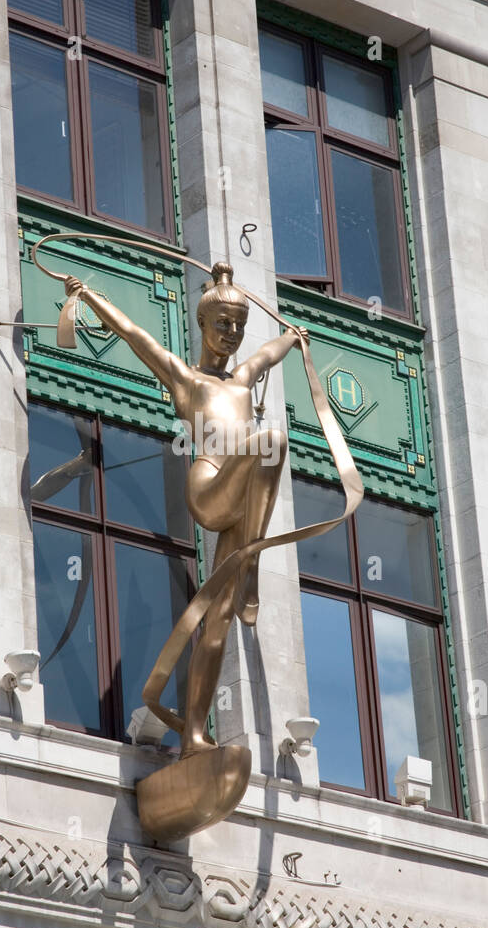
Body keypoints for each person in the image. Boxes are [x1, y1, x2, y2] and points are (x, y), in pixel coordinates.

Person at [62, 262, 308, 756]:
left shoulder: (243, 380)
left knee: (215, 621)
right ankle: (252, 571)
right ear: (201, 324)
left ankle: (195, 733)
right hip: (210, 485)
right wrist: (87, 297)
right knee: (271, 441)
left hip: (243, 501)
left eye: (238, 326)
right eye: (222, 324)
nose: (232, 334)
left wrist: (292, 336)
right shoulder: (186, 380)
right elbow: (133, 335)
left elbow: (267, 353)